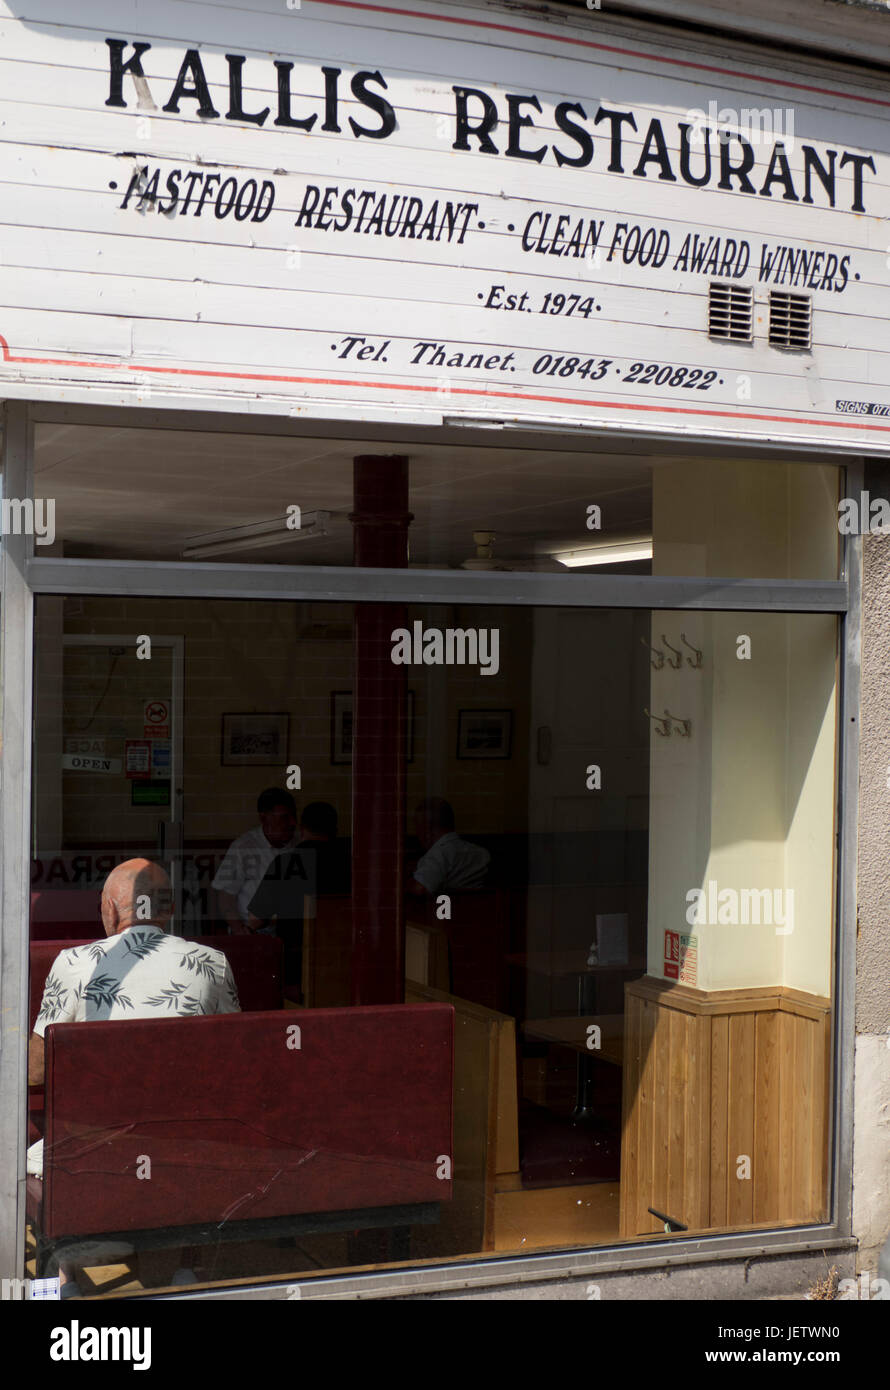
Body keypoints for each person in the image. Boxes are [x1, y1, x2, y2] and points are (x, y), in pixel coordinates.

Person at [27, 859, 240, 1291]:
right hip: (186, 1144)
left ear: (109, 909)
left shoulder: (73, 963)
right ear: (171, 909)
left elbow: (34, 1072)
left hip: (94, 1148)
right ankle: (188, 1265)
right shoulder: (212, 963)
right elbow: (236, 1062)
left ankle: (67, 1268)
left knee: (22, 1164)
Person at [247, 802, 350, 990]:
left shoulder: (285, 863)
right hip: (344, 962)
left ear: (302, 830)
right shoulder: (352, 861)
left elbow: (255, 921)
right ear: (335, 831)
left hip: (295, 966)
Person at [212, 788, 297, 932]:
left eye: (294, 816)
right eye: (284, 817)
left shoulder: (300, 844)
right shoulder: (244, 848)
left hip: (293, 929)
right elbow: (226, 897)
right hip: (255, 931)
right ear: (264, 818)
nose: (292, 823)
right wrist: (241, 932)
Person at [408, 798, 490, 898]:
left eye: (418, 828)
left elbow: (419, 890)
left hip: (444, 912)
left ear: (426, 830)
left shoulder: (437, 856)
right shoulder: (482, 854)